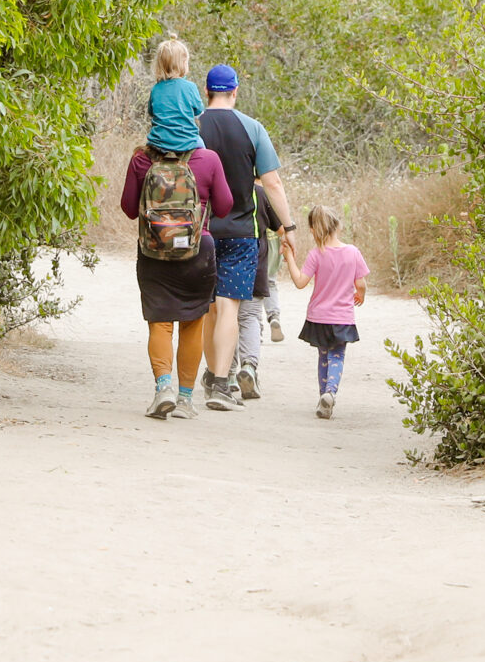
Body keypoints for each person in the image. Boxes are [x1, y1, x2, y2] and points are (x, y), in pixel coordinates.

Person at [121, 38, 234, 420]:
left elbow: (126, 209)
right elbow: (225, 206)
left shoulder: (141, 159)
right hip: (197, 253)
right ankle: (186, 400)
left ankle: (162, 389)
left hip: (153, 253)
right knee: (191, 322)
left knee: (160, 322)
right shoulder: (208, 159)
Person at [196, 64, 287, 408]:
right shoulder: (253, 128)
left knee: (208, 312)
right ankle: (222, 382)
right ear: (235, 91)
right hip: (240, 232)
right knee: (230, 309)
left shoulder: (194, 126)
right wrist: (288, 228)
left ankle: (212, 376)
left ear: (207, 92)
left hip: (201, 231)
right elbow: (273, 183)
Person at [278, 203, 368, 420]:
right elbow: (361, 283)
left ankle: (322, 397)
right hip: (342, 317)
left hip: (318, 316)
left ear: (312, 230)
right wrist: (360, 295)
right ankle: (330, 393)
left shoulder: (316, 255)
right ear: (338, 225)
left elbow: (300, 282)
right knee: (337, 355)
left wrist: (289, 257)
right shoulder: (353, 252)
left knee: (323, 356)